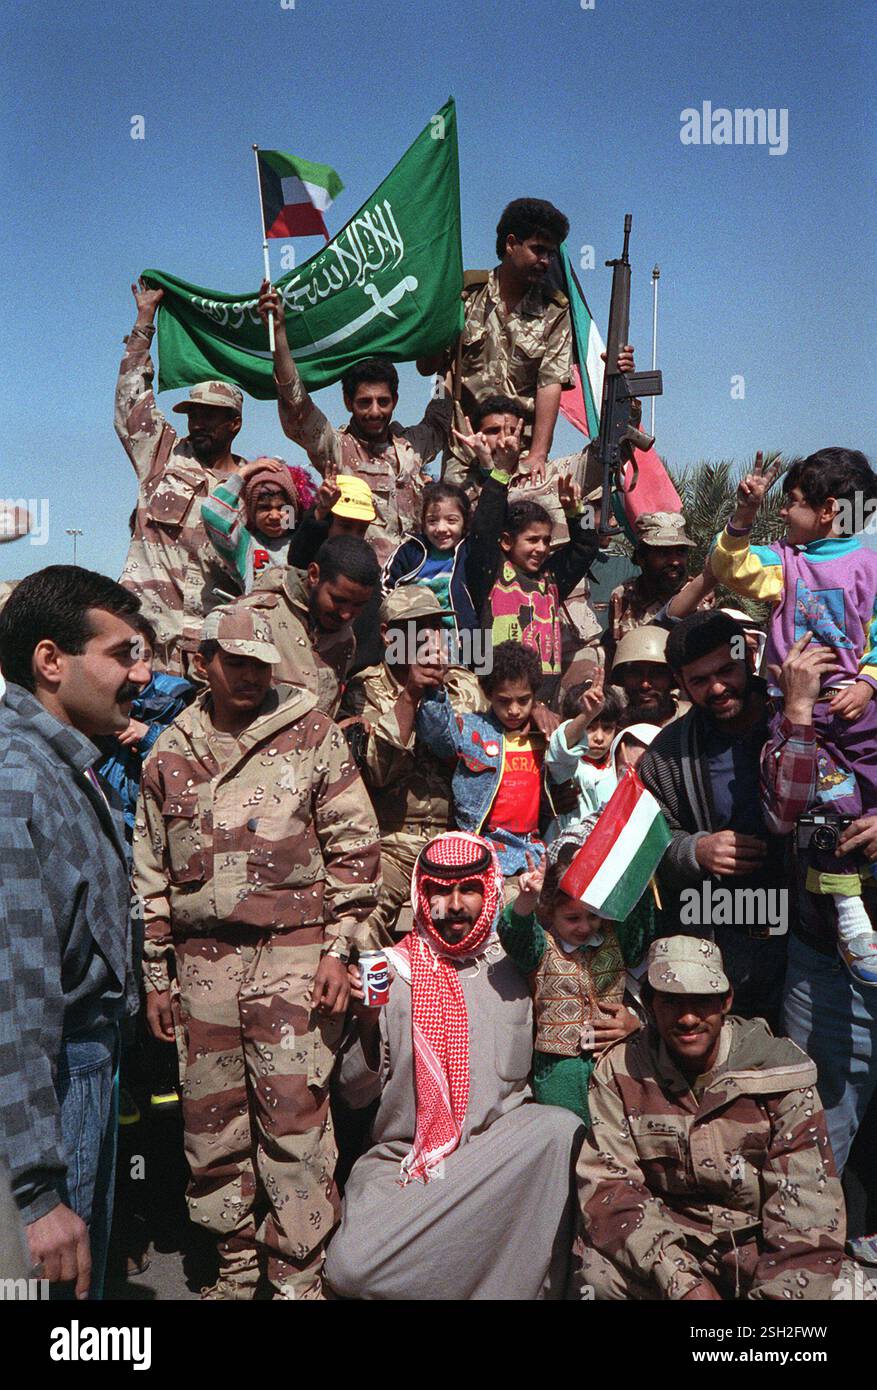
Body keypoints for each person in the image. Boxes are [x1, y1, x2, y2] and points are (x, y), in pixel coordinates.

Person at [133, 606, 381, 1299]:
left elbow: (355, 850)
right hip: (201, 962)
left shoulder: (312, 735)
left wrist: (340, 950)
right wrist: (158, 977)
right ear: (203, 662)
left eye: (258, 663)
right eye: (232, 661)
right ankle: (236, 1265)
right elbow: (149, 872)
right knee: (211, 1125)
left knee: (293, 1120)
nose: (247, 675)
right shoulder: (172, 748)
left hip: (293, 954)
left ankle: (299, 1275)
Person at [323, 831, 585, 1301]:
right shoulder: (387, 970)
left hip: (500, 1159)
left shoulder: (522, 960)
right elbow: (353, 1095)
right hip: (407, 1161)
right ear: (422, 894)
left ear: (490, 891)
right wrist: (364, 1018)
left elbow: (587, 995)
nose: (455, 904)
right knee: (350, 1269)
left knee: (558, 1129)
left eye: (469, 889)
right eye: (440, 890)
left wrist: (624, 1019)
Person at [0, 566, 151, 1299]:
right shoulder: (17, 781)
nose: (142, 673)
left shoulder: (65, 763)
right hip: (53, 1086)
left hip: (83, 1069)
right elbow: (15, 997)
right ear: (50, 661)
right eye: (123, 653)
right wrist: (37, 1194)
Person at [576, 935, 852, 1301]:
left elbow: (808, 1210)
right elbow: (611, 1190)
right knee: (597, 1277)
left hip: (758, 1245)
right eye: (672, 1001)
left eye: (702, 1002)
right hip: (669, 1241)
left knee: (845, 1290)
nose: (688, 1018)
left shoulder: (780, 1073)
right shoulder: (620, 1072)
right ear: (651, 1004)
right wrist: (680, 1280)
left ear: (725, 1001)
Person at [711, 447, 877, 983]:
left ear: (828, 509)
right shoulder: (784, 561)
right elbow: (728, 568)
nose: (783, 513)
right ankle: (847, 913)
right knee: (822, 806)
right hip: (802, 718)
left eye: (793, 503)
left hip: (859, 713)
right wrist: (742, 516)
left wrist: (869, 682)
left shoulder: (870, 565)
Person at [761, 630, 877, 1198]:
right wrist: (799, 711)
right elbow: (785, 812)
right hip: (825, 967)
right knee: (818, 1116)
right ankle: (812, 1249)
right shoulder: (785, 730)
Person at [638, 610, 788, 1029]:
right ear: (681, 683)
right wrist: (695, 850)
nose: (718, 688)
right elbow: (648, 845)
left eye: (726, 670)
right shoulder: (666, 755)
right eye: (700, 680)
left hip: (814, 932)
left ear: (748, 659)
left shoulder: (799, 716)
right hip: (726, 934)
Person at [258, 281, 450, 565]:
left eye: (383, 401)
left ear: (395, 400)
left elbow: (441, 413)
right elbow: (296, 402)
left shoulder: (413, 445)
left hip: (411, 585)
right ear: (348, 402)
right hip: (357, 589)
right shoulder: (335, 448)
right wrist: (279, 336)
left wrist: (444, 361)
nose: (375, 412)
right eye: (364, 402)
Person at [115, 278, 252, 676]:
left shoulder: (253, 490)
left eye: (210, 414)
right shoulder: (163, 454)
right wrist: (145, 320)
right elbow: (131, 400)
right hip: (138, 647)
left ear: (235, 423)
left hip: (203, 661)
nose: (198, 421)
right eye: (193, 413)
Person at [339, 588, 485, 941]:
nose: (431, 638)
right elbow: (376, 772)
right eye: (418, 628)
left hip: (455, 841)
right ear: (390, 634)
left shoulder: (463, 684)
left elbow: (479, 757)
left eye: (437, 626)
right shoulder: (365, 688)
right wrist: (410, 697)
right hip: (390, 843)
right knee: (360, 923)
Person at [498, 831, 652, 1126]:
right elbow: (515, 936)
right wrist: (527, 899)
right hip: (559, 1073)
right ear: (551, 912)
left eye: (592, 917)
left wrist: (634, 873)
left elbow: (640, 927)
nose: (584, 927)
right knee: (566, 1137)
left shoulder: (614, 940)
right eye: (572, 918)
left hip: (613, 1063)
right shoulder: (542, 947)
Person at [419, 198, 574, 490]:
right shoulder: (465, 295)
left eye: (550, 254)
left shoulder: (554, 310)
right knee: (455, 530)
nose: (546, 262)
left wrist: (539, 454)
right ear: (511, 243)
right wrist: (433, 317)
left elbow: (549, 383)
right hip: (465, 451)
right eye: (538, 250)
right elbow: (427, 367)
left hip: (520, 453)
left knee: (532, 531)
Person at [416, 640, 548, 881]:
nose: (514, 710)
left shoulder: (543, 735)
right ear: (488, 694)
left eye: (524, 700)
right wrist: (434, 690)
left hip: (534, 847)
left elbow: (569, 757)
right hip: (487, 844)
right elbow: (437, 736)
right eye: (504, 701)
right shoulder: (473, 730)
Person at [229, 534, 380, 715]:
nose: (346, 614)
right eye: (338, 600)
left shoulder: (345, 638)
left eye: (358, 605)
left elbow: (326, 703)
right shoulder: (251, 616)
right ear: (314, 575)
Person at [487, 483, 599, 707]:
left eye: (546, 540)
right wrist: (497, 476)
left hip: (542, 701)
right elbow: (483, 530)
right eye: (532, 540)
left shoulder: (551, 578)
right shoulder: (489, 572)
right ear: (507, 541)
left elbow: (586, 547)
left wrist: (576, 512)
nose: (541, 548)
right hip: (494, 698)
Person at [96, 612, 193, 840]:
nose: (140, 674)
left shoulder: (176, 701)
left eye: (145, 657)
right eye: (125, 658)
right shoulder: (90, 703)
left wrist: (150, 736)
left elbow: (191, 765)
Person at [606, 511, 714, 664]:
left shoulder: (698, 597)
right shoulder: (623, 597)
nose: (675, 561)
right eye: (664, 553)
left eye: (680, 552)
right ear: (641, 558)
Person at [201, 455, 316, 593]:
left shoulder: (308, 543)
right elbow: (211, 513)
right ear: (252, 513)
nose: (274, 516)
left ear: (295, 510)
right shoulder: (246, 546)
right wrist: (243, 473)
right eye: (264, 508)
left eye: (282, 508)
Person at [610, 624, 689, 726]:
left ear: (672, 678)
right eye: (635, 674)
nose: (645, 685)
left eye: (657, 674)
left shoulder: (691, 721)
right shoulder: (612, 727)